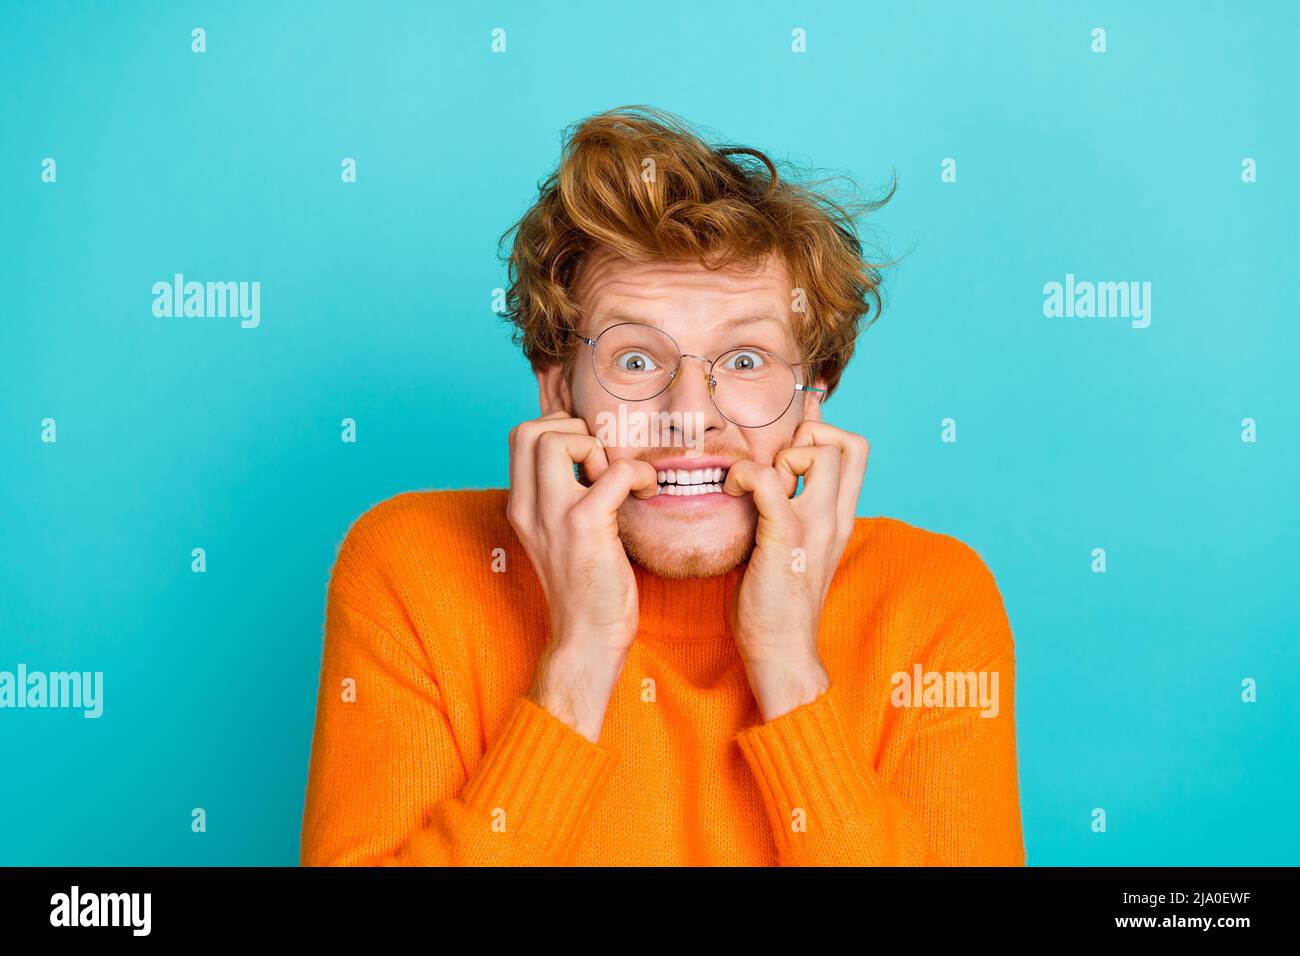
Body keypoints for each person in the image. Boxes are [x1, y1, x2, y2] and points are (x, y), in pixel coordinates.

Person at [300, 106, 1026, 866]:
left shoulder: (933, 603)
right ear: (558, 392)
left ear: (815, 394)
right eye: (636, 361)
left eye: (745, 361)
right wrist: (578, 663)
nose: (689, 419)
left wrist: (786, 666)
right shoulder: (415, 569)